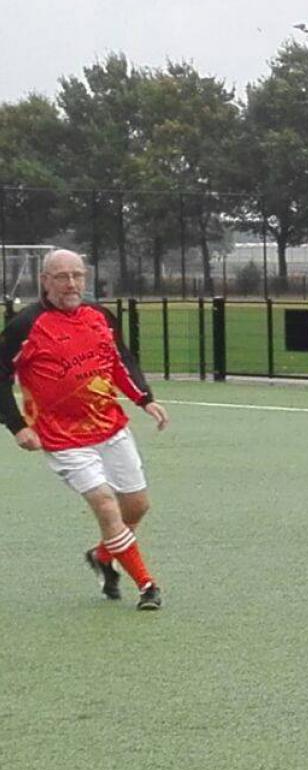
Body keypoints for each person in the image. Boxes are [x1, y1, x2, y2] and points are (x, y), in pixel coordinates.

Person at [1, 250, 170, 610]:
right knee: (106, 506)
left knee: (137, 506)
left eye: (77, 275)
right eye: (61, 276)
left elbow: (120, 359)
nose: (71, 284)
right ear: (45, 281)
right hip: (63, 438)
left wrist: (144, 399)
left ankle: (103, 556)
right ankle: (147, 586)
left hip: (110, 428)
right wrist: (17, 426)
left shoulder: (100, 316)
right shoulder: (24, 326)